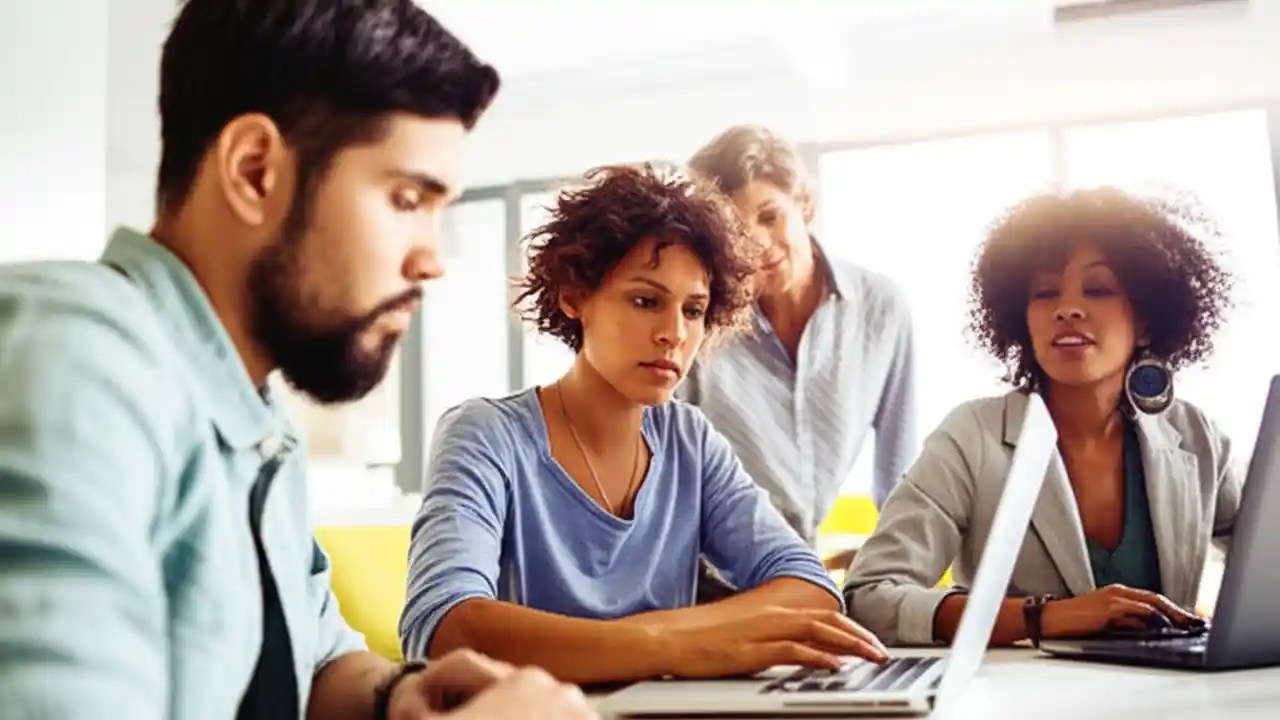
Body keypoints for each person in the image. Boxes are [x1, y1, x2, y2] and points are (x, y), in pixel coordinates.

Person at [0, 1, 593, 718]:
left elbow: (312, 660)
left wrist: (398, 694)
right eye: (407, 198)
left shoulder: (252, 414)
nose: (432, 259)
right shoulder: (77, 359)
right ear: (254, 171)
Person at [399, 164, 889, 684]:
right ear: (574, 297)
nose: (674, 333)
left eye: (694, 310)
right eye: (645, 301)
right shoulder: (486, 435)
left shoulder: (690, 442)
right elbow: (443, 627)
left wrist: (667, 640)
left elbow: (810, 589)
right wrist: (674, 646)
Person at [844, 188, 1241, 648]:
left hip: (1173, 689)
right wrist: (1043, 617)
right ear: (1022, 319)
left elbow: (1265, 565)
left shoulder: (1197, 437)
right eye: (1045, 293)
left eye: (1098, 289)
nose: (1066, 309)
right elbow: (869, 597)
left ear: (1147, 323)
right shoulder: (971, 438)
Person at [682, 125, 917, 542]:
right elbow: (669, 468)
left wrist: (894, 563)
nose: (757, 244)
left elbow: (898, 475)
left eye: (770, 217)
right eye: (735, 233)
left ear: (805, 205)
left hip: (804, 559)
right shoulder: (702, 323)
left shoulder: (882, 309)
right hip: (712, 559)